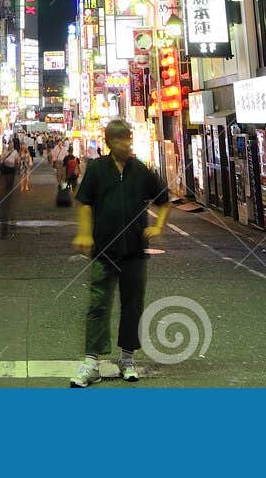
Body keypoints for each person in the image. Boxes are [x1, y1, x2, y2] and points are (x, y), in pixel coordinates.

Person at [70, 120, 170, 386]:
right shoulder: (97, 169)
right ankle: (91, 362)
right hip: (103, 249)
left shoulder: (140, 170)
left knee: (132, 305)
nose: (126, 143)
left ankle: (127, 358)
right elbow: (85, 204)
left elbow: (163, 199)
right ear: (109, 143)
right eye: (120, 140)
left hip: (135, 251)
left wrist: (158, 226)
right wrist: (84, 232)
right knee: (98, 305)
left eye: (128, 138)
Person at [0, 136, 23, 238]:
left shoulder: (15, 152)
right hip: (5, 172)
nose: (10, 144)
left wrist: (16, 165)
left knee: (7, 194)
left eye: (11, 143)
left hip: (10, 172)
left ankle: (7, 193)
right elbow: (2, 159)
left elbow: (17, 161)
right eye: (9, 143)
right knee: (6, 199)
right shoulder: (5, 151)